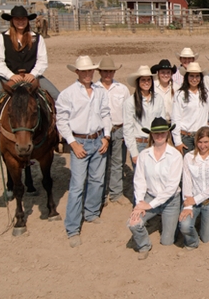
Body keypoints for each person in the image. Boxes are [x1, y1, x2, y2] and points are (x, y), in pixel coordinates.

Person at [0, 5, 60, 167]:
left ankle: (61, 137)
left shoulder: (37, 38)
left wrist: (32, 74)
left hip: (32, 77)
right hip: (8, 77)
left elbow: (42, 61)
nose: (20, 21)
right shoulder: (2, 38)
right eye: (17, 19)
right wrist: (11, 76)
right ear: (12, 21)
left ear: (27, 20)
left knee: (59, 98)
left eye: (23, 19)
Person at [56, 56, 111, 248]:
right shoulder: (67, 94)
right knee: (77, 185)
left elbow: (105, 113)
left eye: (90, 71)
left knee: (97, 180)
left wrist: (107, 136)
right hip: (79, 141)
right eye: (84, 71)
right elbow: (61, 121)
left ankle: (91, 213)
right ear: (77, 72)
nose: (88, 74)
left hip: (98, 139)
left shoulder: (99, 91)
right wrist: (72, 143)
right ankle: (72, 228)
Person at [127, 117, 182, 260]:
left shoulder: (175, 155)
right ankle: (144, 245)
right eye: (156, 133)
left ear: (168, 134)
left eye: (163, 133)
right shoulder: (144, 155)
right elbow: (139, 180)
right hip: (150, 197)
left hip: (171, 200)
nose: (159, 136)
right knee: (133, 223)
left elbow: (171, 187)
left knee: (167, 242)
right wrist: (140, 202)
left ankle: (173, 224)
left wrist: (149, 205)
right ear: (151, 134)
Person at [178, 126, 209, 248]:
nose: (202, 145)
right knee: (184, 225)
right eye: (200, 142)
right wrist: (188, 205)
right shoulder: (189, 157)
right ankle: (193, 242)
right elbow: (187, 181)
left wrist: (195, 199)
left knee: (206, 238)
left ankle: (208, 227)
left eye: (206, 142)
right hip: (192, 201)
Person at [95, 56, 129, 205]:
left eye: (110, 71)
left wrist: (126, 132)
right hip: (101, 131)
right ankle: (101, 195)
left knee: (117, 162)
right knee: (101, 163)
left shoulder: (122, 89)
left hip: (119, 128)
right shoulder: (94, 89)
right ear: (100, 72)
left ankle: (116, 193)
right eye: (105, 71)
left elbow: (128, 112)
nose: (108, 74)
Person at [123, 65, 165, 168]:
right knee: (140, 179)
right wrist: (134, 152)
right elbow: (128, 128)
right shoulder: (130, 102)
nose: (146, 82)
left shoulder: (158, 99)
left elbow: (162, 122)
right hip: (139, 144)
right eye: (143, 80)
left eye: (148, 80)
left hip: (155, 142)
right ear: (138, 82)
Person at [172, 62, 209, 155]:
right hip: (185, 137)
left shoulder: (206, 92)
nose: (194, 79)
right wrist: (177, 141)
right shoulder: (180, 94)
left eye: (197, 76)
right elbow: (176, 118)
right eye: (191, 76)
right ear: (187, 77)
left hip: (202, 137)